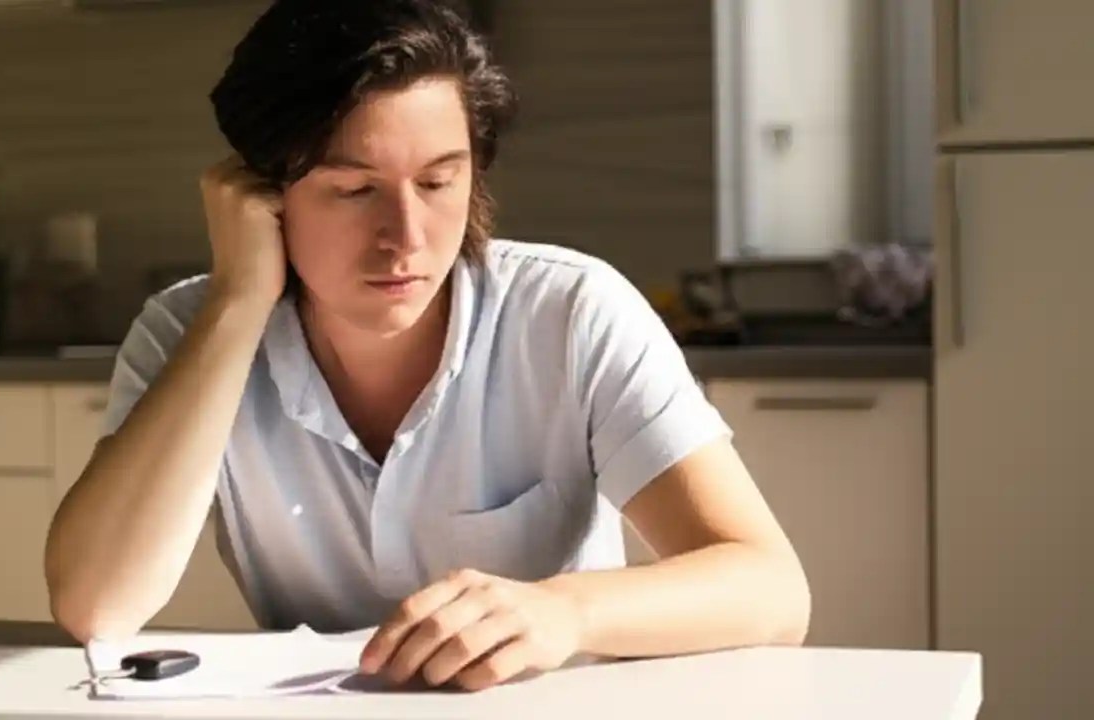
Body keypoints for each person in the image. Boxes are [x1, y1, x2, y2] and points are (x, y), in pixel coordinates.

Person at [44, 0, 810, 692]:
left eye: (439, 183)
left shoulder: (571, 312)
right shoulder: (190, 333)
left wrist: (562, 612)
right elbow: (96, 607)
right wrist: (240, 302)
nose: (406, 239)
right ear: (262, 194)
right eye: (354, 191)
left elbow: (772, 590)